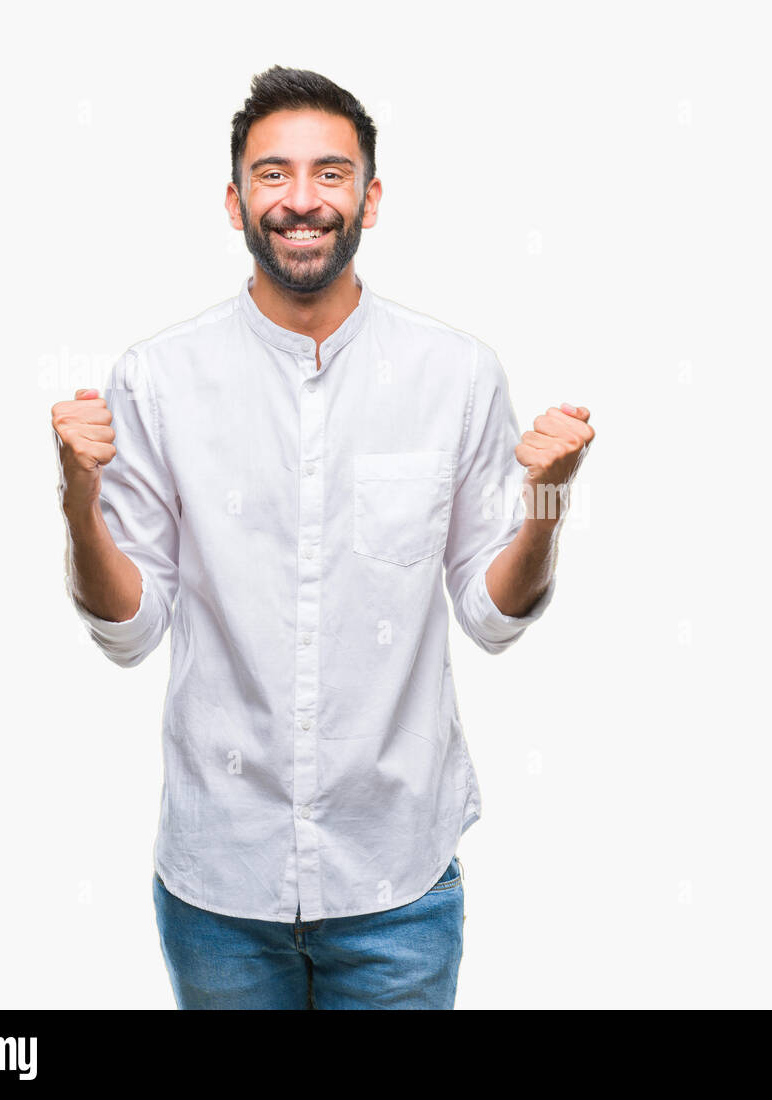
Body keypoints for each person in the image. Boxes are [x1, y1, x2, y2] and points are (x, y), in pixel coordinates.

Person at [50, 66, 594, 1009]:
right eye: (273, 175)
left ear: (370, 198)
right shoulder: (157, 380)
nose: (302, 200)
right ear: (234, 201)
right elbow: (128, 631)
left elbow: (492, 615)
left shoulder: (456, 375)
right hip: (219, 886)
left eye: (331, 174)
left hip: (398, 885)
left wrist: (547, 501)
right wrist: (76, 497)